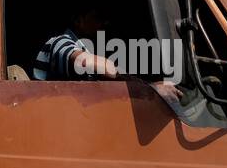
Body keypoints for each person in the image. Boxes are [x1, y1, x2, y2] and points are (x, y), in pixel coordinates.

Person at [33, 6, 182, 103]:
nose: (104, 24)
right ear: (78, 20)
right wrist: (149, 88)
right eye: (97, 18)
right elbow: (85, 62)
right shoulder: (60, 41)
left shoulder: (83, 46)